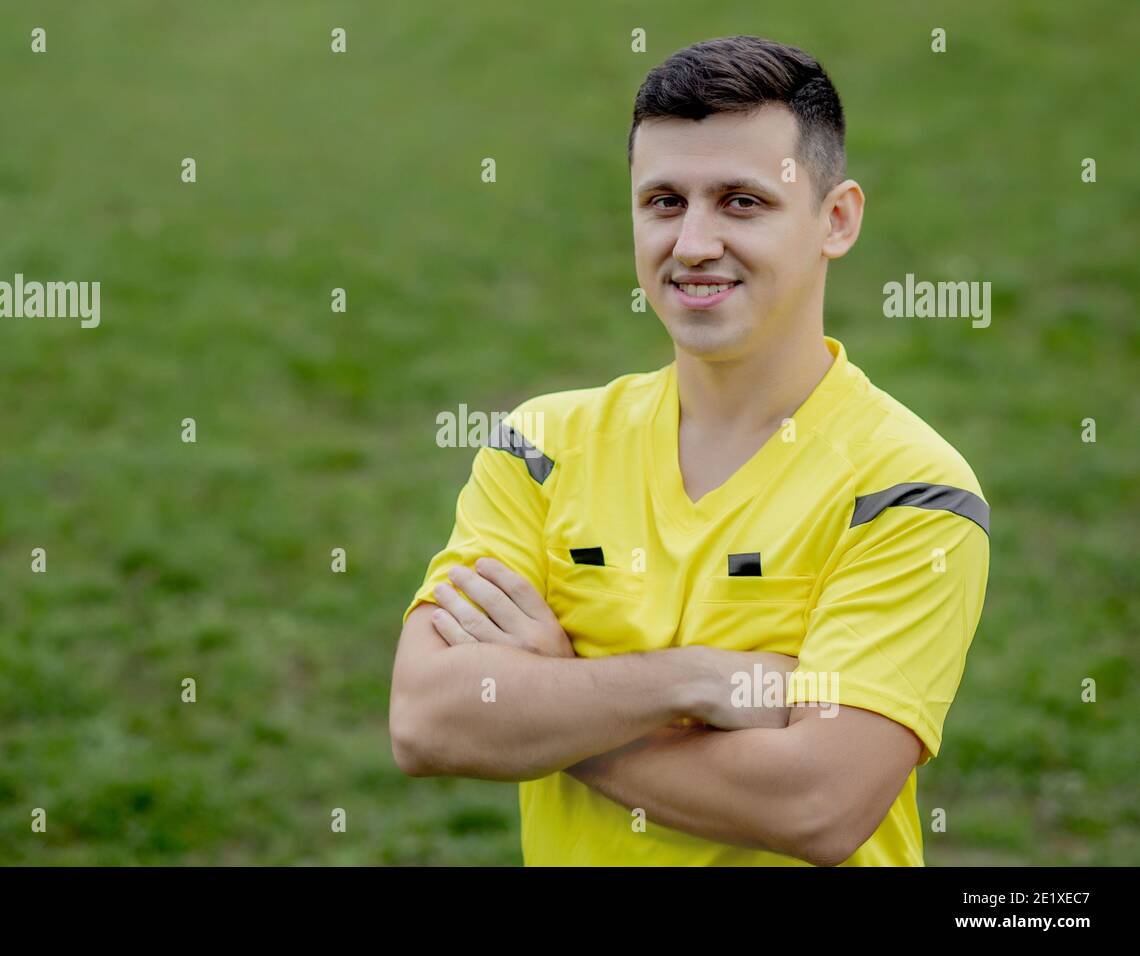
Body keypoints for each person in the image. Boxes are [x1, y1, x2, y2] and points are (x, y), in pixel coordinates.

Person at [389, 35, 990, 866]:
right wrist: (701, 681)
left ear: (837, 220)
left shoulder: (909, 489)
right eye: (664, 201)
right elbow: (427, 719)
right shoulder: (540, 446)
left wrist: (556, 702)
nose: (695, 243)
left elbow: (818, 801)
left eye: (742, 201)